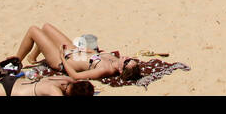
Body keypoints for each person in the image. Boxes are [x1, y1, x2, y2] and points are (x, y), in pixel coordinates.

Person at [12, 24, 143, 82]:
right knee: (46, 27)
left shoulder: (104, 69)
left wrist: (63, 58)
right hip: (74, 50)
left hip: (61, 60)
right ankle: (32, 56)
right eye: (129, 58)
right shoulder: (114, 59)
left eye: (126, 61)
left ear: (121, 70)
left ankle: (14, 64)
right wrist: (84, 50)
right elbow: (95, 53)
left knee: (33, 30)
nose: (125, 57)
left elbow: (75, 76)